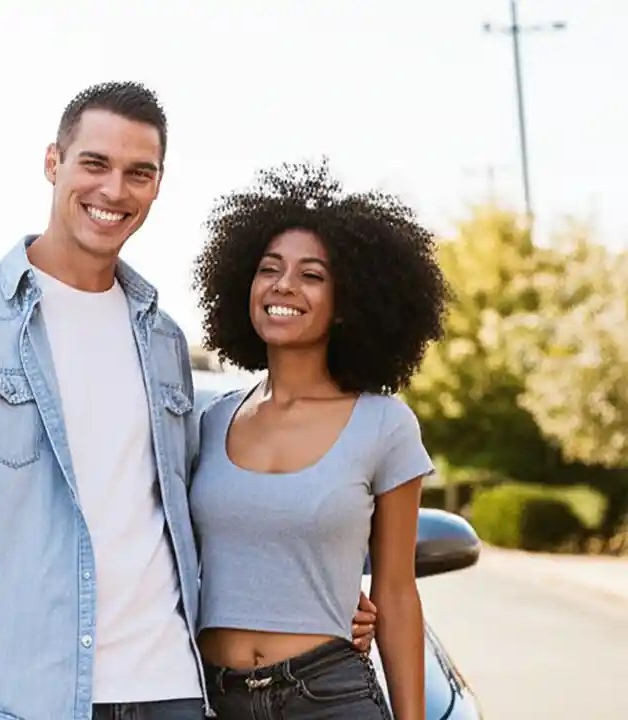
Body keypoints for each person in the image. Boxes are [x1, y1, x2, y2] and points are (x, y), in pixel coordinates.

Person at [0, 83, 376, 720]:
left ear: (158, 186)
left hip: (171, 689)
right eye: (95, 164)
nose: (114, 191)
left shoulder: (163, 338)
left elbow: (199, 512)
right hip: (25, 699)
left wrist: (311, 596)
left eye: (140, 173)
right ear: (53, 163)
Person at [188, 160, 449, 719]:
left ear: (347, 303)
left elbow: (397, 594)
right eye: (269, 269)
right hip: (213, 699)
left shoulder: (384, 425)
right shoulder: (209, 422)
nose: (284, 286)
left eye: (312, 275)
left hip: (326, 696)